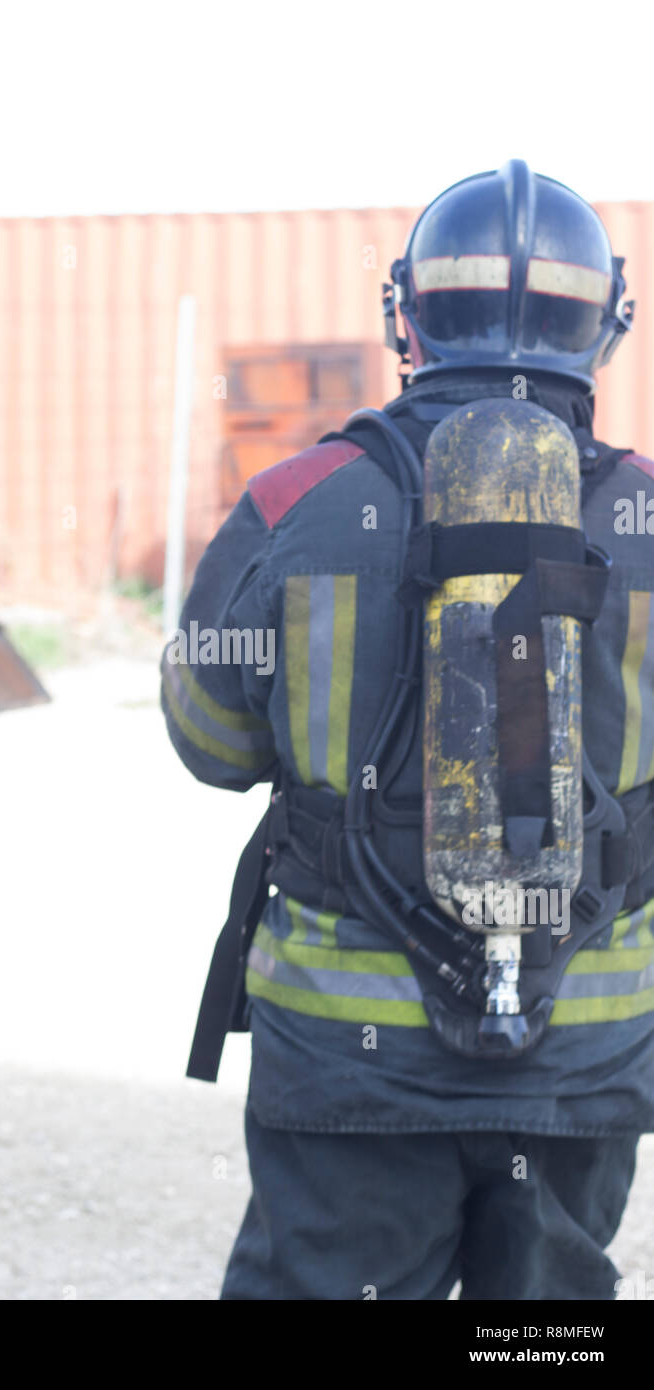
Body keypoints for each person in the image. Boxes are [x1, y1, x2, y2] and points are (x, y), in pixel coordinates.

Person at [161, 161, 653, 1300]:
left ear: (408, 315)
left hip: (349, 1050)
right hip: (582, 1046)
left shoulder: (297, 499)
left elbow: (206, 742)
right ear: (603, 324)